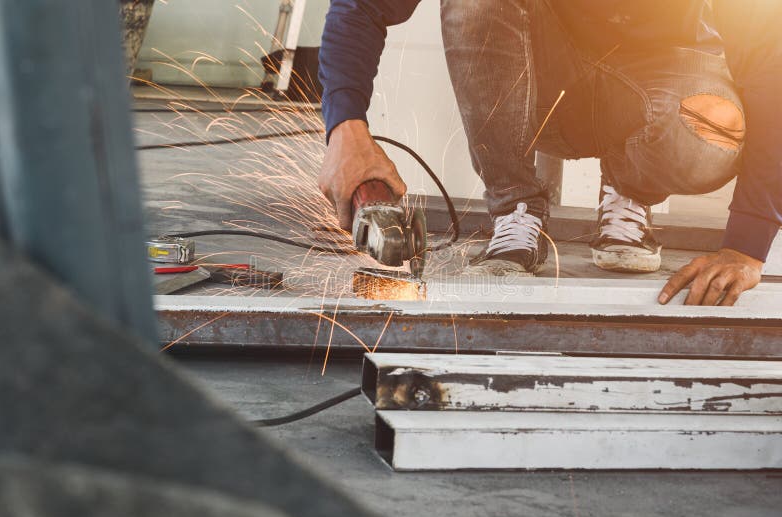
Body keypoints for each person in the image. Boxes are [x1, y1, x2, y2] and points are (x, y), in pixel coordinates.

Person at [317, 1, 782, 306]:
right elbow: (361, 6)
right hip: (537, 90)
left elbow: (770, 63)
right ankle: (514, 206)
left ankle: (631, 188)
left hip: (655, 88)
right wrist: (345, 129)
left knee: (712, 131)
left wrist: (746, 245)